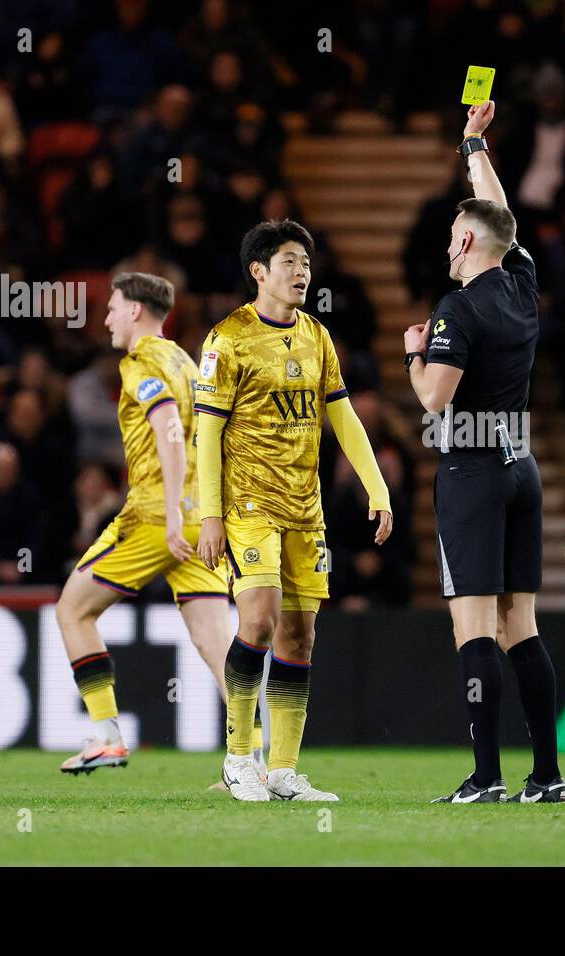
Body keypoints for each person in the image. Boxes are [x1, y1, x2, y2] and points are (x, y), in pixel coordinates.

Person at [196, 219, 393, 802]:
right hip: (248, 505)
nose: (302, 271)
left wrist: (376, 487)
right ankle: (239, 758)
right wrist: (210, 515)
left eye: (305, 262)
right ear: (258, 271)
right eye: (288, 261)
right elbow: (208, 433)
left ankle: (282, 769)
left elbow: (343, 417)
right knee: (257, 619)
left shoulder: (317, 337)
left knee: (299, 637)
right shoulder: (226, 339)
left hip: (306, 510)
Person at [404, 100, 565, 804]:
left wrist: (414, 355)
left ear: (467, 245)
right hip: (520, 467)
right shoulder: (522, 285)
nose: (446, 246)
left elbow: (433, 400)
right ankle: (548, 776)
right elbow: (499, 214)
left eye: (451, 236)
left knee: (473, 627)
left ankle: (487, 778)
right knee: (520, 625)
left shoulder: (457, 309)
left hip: (470, 470)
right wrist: (474, 143)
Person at [53, 273, 233, 774]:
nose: (106, 318)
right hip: (203, 517)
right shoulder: (186, 360)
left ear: (135, 310)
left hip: (158, 515)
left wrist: (172, 512)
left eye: (111, 308)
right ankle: (252, 759)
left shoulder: (140, 363)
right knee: (216, 643)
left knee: (73, 611)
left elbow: (169, 430)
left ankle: (107, 736)